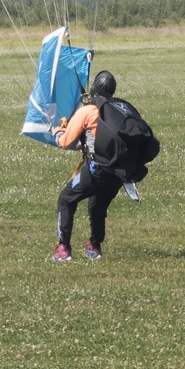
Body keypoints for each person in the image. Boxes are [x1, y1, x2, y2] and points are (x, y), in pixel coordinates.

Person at [50, 70, 123, 262]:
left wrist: (56, 132)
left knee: (66, 199)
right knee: (96, 206)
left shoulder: (87, 111)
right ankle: (94, 247)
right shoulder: (119, 109)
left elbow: (65, 142)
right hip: (118, 172)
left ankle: (63, 249)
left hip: (96, 170)